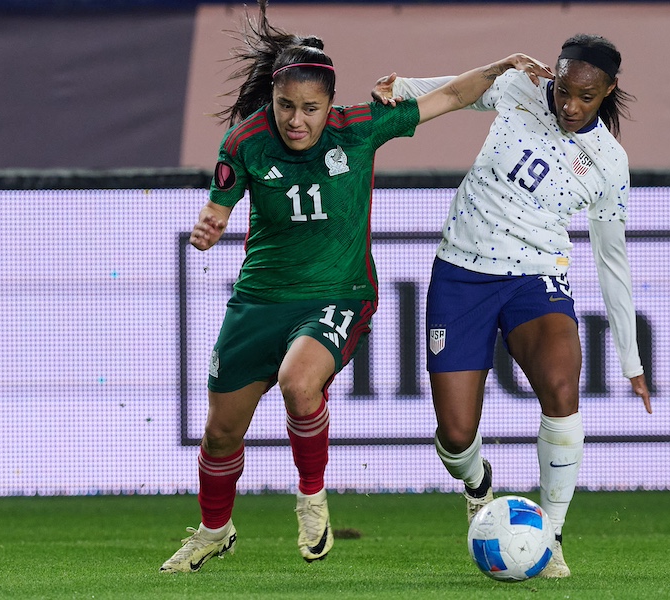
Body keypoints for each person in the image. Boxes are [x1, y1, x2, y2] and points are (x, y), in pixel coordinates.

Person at [159, 0, 553, 574]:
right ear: (272, 100)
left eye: (310, 109)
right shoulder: (244, 141)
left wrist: (500, 67)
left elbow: (450, 97)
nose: (297, 120)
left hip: (337, 294)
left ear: (329, 105)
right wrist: (210, 223)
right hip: (259, 300)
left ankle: (312, 496)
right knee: (220, 434)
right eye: (286, 106)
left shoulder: (359, 129)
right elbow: (218, 207)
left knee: (299, 383)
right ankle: (215, 530)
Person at [372, 33, 652, 578]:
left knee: (563, 392)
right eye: (564, 90)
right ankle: (479, 488)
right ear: (555, 76)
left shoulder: (609, 164)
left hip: (537, 278)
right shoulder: (521, 87)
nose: (570, 105)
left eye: (585, 98)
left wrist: (631, 359)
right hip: (462, 272)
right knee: (455, 436)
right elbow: (456, 93)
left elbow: (612, 261)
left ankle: (550, 535)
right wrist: (402, 87)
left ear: (609, 91)